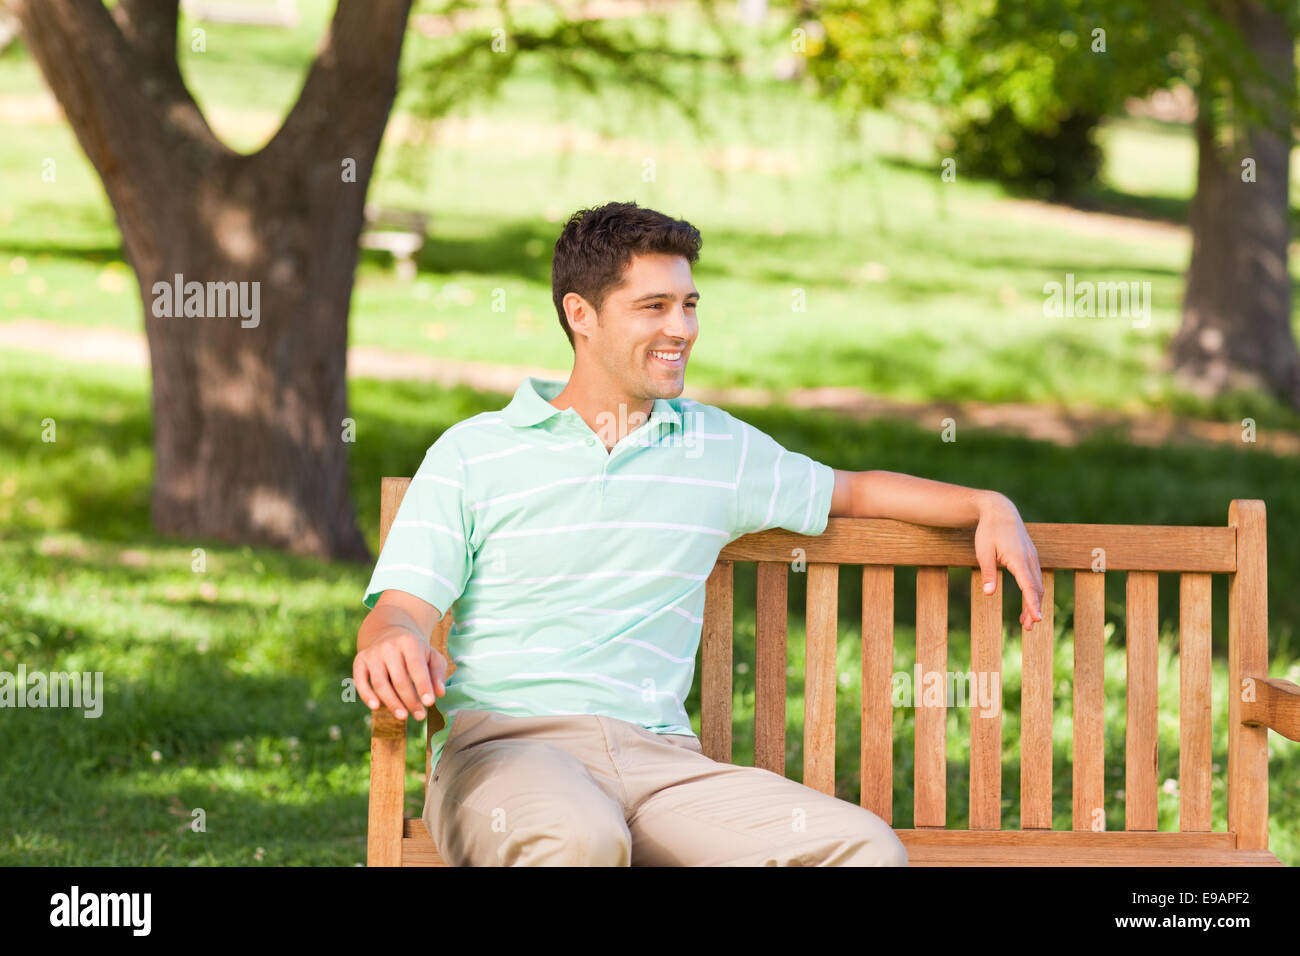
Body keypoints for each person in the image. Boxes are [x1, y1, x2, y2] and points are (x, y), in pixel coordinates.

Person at [353, 200, 1044, 866]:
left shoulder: (717, 449)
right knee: (580, 842)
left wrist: (985, 504)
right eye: (653, 307)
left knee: (863, 849)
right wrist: (393, 641)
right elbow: (401, 609)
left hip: (660, 772)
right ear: (580, 315)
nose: (681, 327)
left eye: (689, 305)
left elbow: (853, 489)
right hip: (506, 758)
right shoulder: (476, 452)